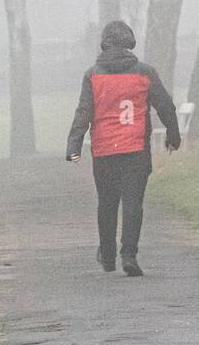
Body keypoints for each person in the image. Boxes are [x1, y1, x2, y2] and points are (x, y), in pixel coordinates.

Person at [66, 20, 181, 277]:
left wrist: (74, 145)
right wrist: (173, 136)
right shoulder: (145, 73)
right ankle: (129, 254)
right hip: (135, 149)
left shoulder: (92, 75)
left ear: (104, 44)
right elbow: (165, 106)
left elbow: (84, 112)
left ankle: (107, 255)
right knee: (133, 203)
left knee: (106, 203)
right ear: (129, 43)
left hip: (104, 149)